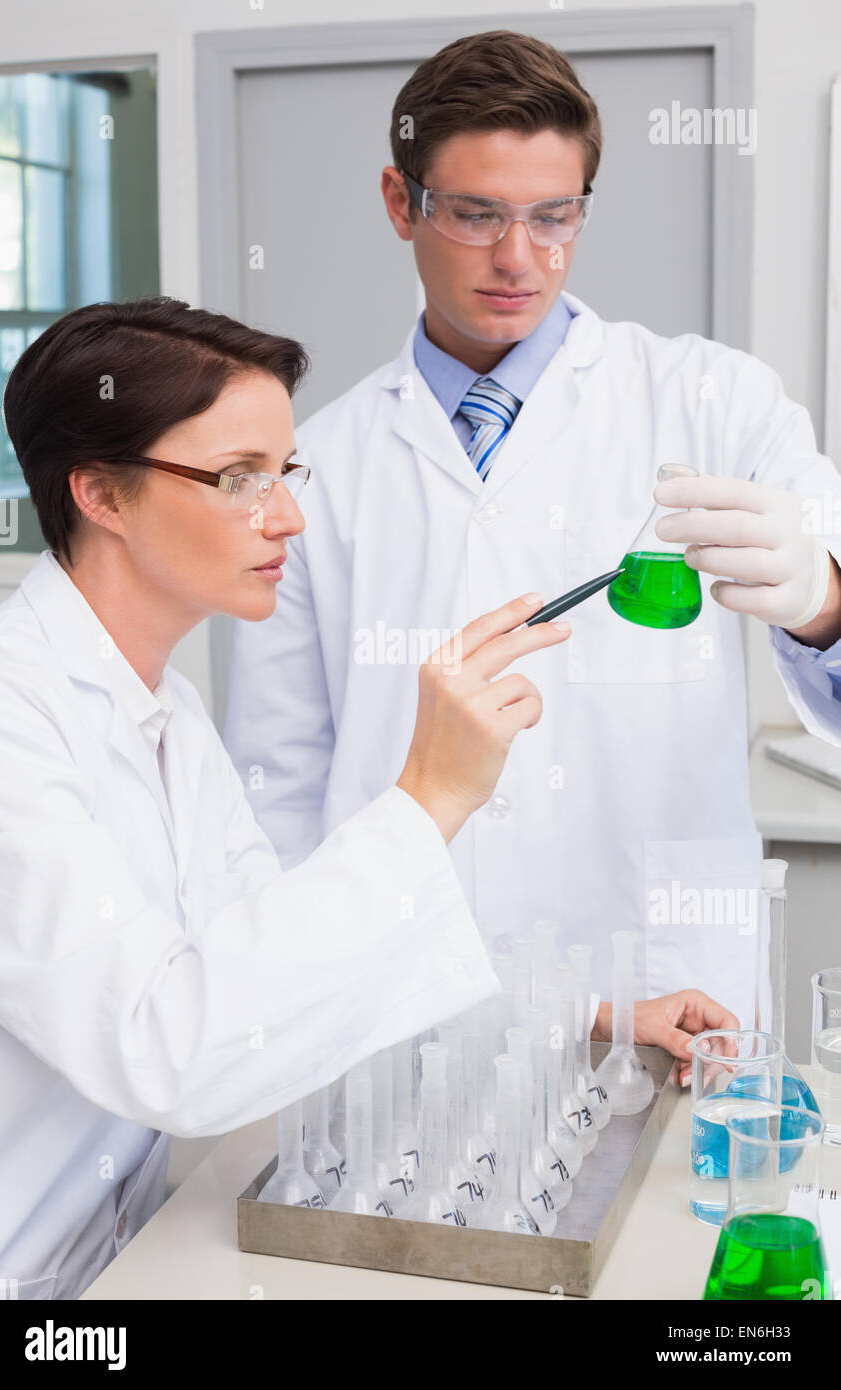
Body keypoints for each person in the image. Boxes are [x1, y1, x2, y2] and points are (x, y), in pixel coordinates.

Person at [224, 30, 841, 1042]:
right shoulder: (319, 470)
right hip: (399, 1034)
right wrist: (310, 1008)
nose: (519, 257)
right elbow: (280, 789)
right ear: (400, 203)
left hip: (672, 1000)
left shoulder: (710, 402)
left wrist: (820, 602)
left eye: (553, 217)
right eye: (475, 215)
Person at [0, 296, 569, 1300]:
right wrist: (424, 798)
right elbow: (172, 1049)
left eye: (283, 471)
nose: (286, 512)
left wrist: (577, 1016)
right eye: (238, 478)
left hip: (118, 1258)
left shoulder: (166, 705)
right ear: (100, 495)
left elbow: (271, 972)